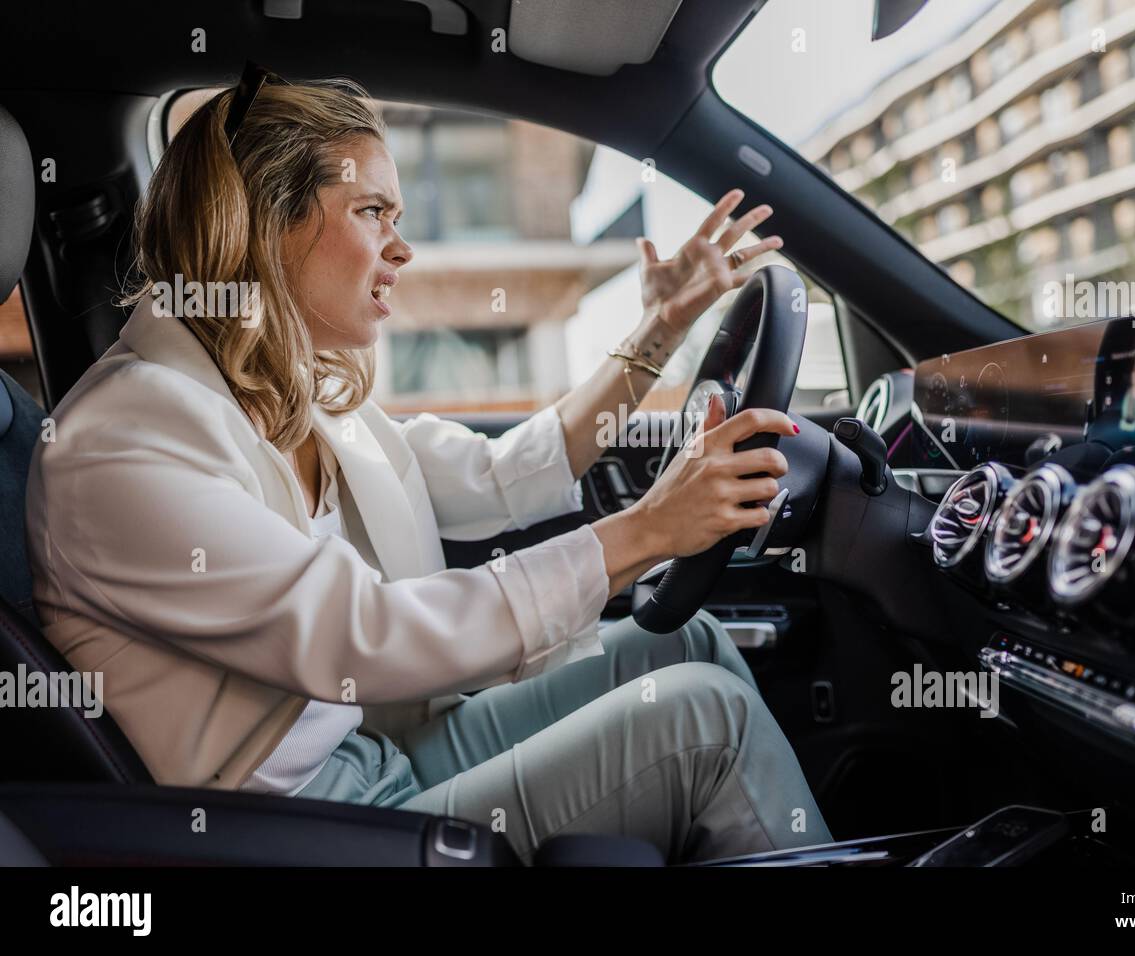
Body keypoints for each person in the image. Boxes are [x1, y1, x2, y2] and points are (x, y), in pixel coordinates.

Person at [23, 72, 833, 864]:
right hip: (301, 821)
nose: (401, 248)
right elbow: (359, 636)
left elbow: (501, 474)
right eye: (372, 212)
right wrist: (648, 530)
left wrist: (658, 330)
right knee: (706, 722)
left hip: (380, 748)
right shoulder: (121, 442)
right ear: (261, 222)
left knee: (686, 644)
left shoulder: (290, 394)